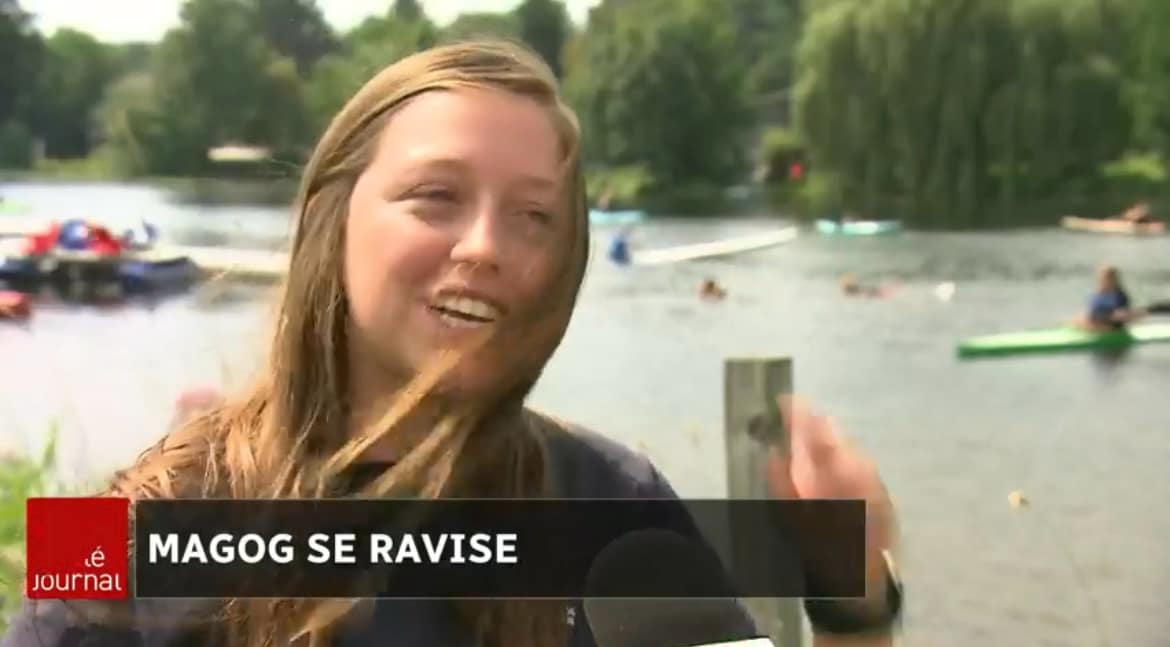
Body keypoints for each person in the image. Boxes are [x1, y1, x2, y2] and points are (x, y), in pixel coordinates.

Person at [1, 42, 901, 647]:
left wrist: (854, 601)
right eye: (436, 195)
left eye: (535, 217)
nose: (485, 246)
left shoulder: (618, 505)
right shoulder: (123, 524)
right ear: (330, 217)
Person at [1081, 265, 1143, 331]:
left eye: (1103, 279)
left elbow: (1120, 316)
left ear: (1112, 280)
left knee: (1084, 320)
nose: (1100, 281)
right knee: (1080, 318)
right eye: (1099, 279)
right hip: (1096, 321)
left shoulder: (1118, 296)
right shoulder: (1099, 294)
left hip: (1110, 326)